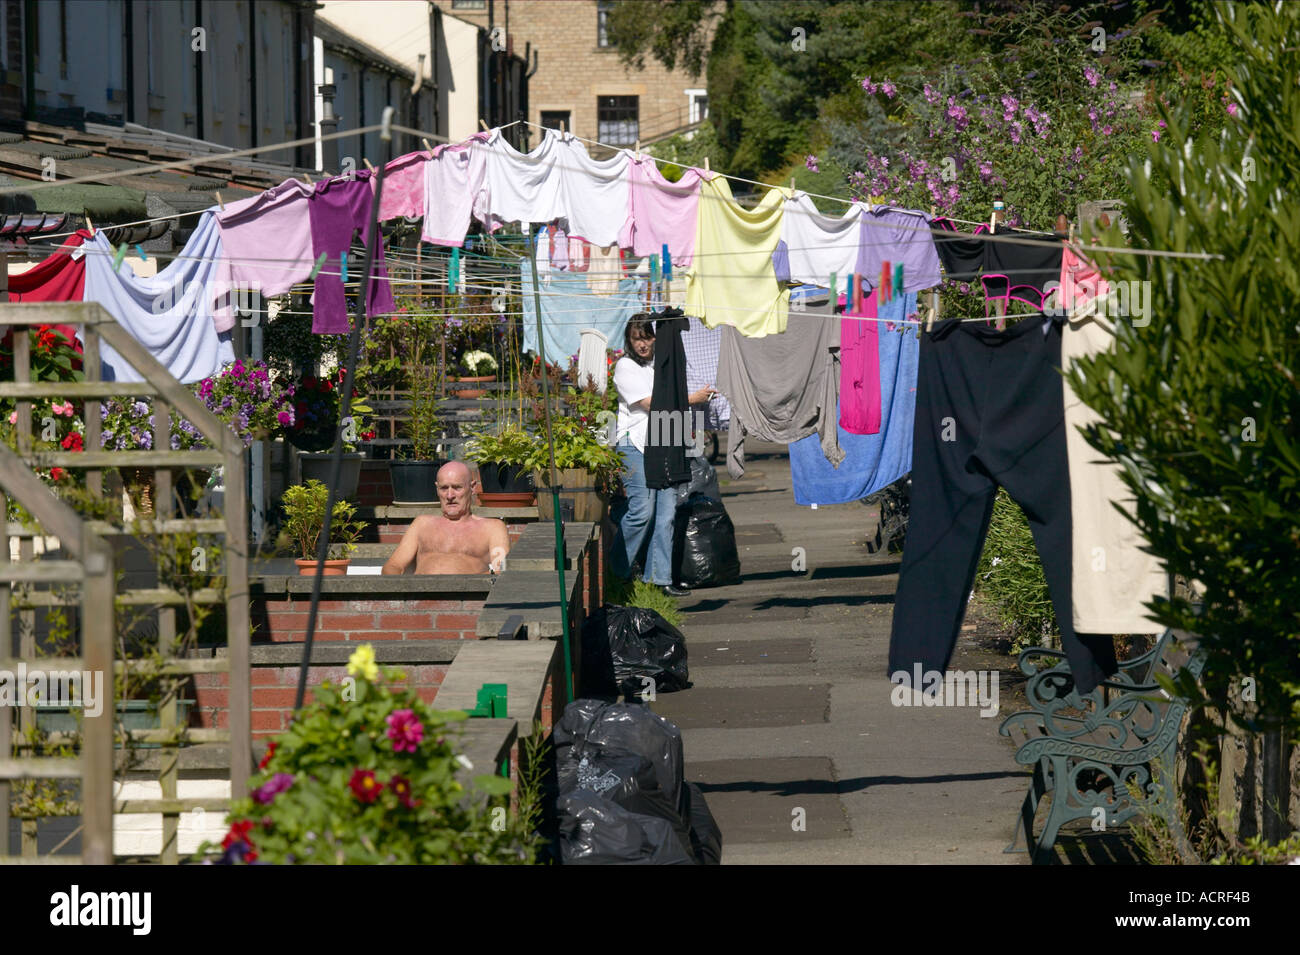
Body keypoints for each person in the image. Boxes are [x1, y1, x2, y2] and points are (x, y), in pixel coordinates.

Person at [612, 314, 715, 597]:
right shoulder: (625, 366)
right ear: (629, 341)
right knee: (642, 512)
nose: (643, 344)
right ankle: (616, 570)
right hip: (636, 445)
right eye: (637, 338)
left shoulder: (665, 364)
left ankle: (659, 578)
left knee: (666, 515)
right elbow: (651, 403)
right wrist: (690, 399)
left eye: (647, 337)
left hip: (667, 442)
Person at [382, 461, 511, 575]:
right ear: (437, 489)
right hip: (419, 597)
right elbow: (392, 566)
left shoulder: (492, 528)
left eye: (457, 487)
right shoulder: (422, 524)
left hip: (468, 599)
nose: (450, 495)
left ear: (472, 488)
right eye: (444, 488)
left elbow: (501, 571)